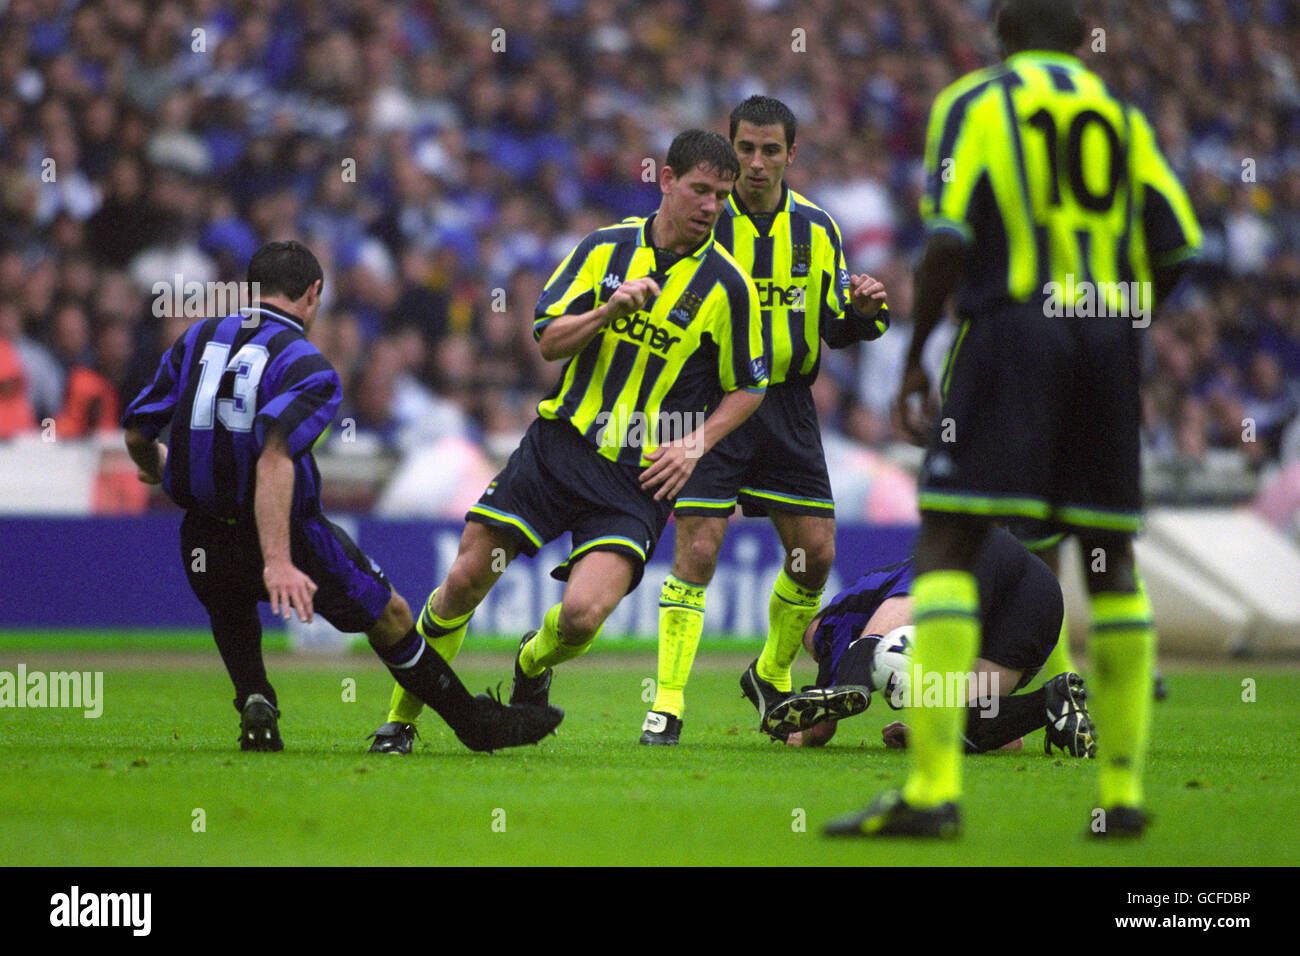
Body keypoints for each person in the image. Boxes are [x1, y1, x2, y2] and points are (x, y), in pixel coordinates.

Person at [826, 0, 1200, 839]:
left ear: (1000, 36)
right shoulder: (1119, 116)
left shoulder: (977, 103)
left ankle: (931, 792)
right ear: (1078, 39)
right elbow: (1178, 246)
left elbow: (950, 238)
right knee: (1109, 557)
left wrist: (920, 349)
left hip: (1011, 331)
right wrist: (1120, 321)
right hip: (1103, 337)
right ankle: (1125, 796)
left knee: (953, 539)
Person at [367, 131, 769, 753]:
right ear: (666, 180)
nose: (711, 206)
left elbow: (751, 386)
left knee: (582, 618)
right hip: (559, 449)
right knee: (467, 577)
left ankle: (532, 660)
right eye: (699, 190)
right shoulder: (604, 250)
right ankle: (401, 721)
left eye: (721, 195)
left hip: (636, 478)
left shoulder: (728, 287)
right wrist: (608, 311)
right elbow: (549, 340)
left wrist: (694, 445)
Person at [121, 240, 563, 753]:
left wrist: (156, 468)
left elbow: (137, 429)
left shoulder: (198, 338)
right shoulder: (309, 367)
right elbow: (273, 457)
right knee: (389, 615)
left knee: (231, 604)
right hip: (286, 532)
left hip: (199, 534)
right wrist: (278, 561)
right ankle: (474, 723)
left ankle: (255, 697)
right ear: (313, 294)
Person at [639, 96, 891, 746]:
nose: (755, 162)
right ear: (729, 147)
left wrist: (864, 311)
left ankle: (771, 670)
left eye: (769, 150)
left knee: (816, 553)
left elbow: (838, 325)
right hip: (706, 399)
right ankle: (666, 702)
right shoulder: (702, 219)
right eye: (744, 148)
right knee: (698, 546)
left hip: (785, 406)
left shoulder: (818, 228)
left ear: (790, 153)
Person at [763, 526, 1095, 760]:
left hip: (987, 555)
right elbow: (1013, 743)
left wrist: (802, 730)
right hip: (1042, 601)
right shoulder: (880, 590)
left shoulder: (835, 622)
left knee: (883, 637)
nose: (819, 651)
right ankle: (1052, 702)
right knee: (967, 725)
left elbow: (823, 727)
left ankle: (858, 677)